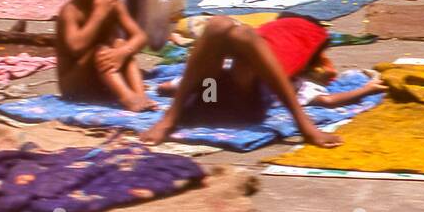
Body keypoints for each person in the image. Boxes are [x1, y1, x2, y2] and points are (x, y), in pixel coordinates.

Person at [139, 15, 376, 147]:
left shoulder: (291, 82)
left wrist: (367, 89)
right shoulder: (218, 75)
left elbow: (327, 99)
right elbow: (172, 85)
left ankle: (304, 126)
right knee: (220, 25)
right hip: (208, 98)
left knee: (242, 35)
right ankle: (171, 117)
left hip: (242, 108)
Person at [56, 0, 156, 112]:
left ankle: (140, 95)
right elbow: (76, 47)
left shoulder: (114, 4)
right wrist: (99, 13)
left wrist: (121, 53)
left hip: (104, 80)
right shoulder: (70, 11)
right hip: (75, 86)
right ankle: (127, 97)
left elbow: (140, 37)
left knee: (121, 44)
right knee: (101, 50)